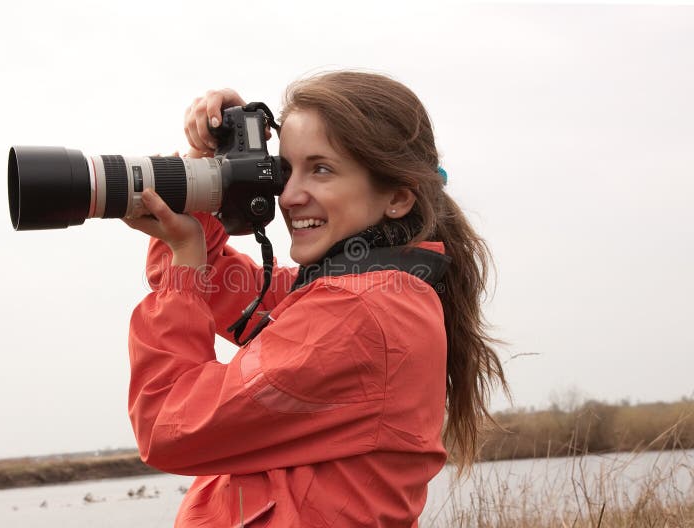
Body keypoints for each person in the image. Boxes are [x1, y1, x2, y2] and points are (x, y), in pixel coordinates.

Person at [123, 71, 508, 527]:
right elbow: (221, 289)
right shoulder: (367, 291)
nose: (287, 196)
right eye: (285, 171)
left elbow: (170, 425)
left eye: (321, 169)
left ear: (398, 198)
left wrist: (185, 261)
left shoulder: (357, 313)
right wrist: (212, 161)